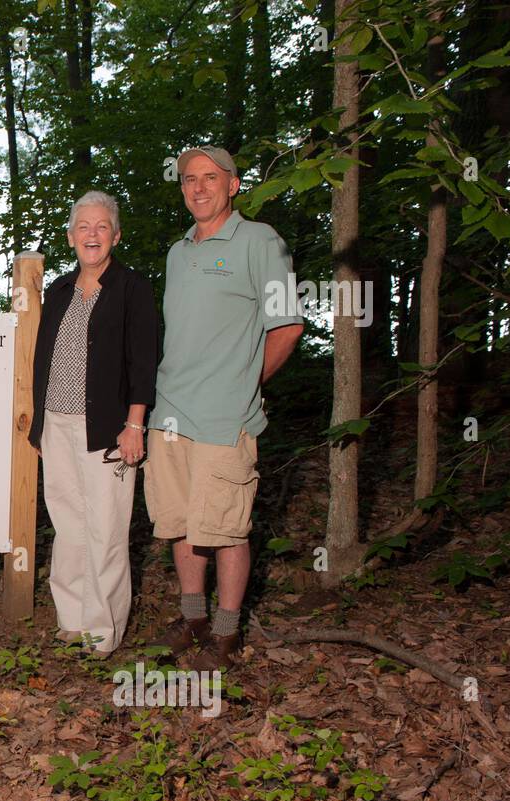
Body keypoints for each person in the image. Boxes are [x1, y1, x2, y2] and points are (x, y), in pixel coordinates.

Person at [145, 146, 304, 670]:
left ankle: (227, 632)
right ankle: (193, 619)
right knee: (180, 524)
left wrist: (244, 385)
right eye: (189, 179)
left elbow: (288, 325)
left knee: (227, 528)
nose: (198, 187)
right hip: (169, 413)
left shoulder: (260, 241)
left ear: (233, 185)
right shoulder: (178, 252)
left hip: (223, 416)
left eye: (210, 178)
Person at [29, 190, 160, 657]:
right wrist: (39, 425)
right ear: (70, 237)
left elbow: (144, 362)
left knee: (105, 527)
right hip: (56, 423)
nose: (92, 234)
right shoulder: (59, 290)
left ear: (116, 236)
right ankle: (71, 620)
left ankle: (101, 630)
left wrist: (135, 424)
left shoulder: (132, 289)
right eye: (83, 226)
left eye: (102, 226)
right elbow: (43, 358)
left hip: (107, 427)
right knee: (68, 524)